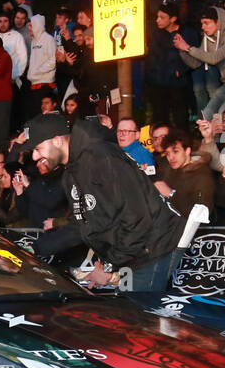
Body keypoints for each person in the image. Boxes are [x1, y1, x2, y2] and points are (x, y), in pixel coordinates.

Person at [28, 113, 187, 291]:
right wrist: (34, 249)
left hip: (155, 245)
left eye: (38, 148)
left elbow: (138, 219)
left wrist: (110, 265)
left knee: (137, 310)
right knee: (125, 309)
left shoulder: (102, 158)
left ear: (57, 140)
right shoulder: (71, 174)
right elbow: (82, 225)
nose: (34, 157)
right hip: (134, 247)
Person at [175, 7, 225, 121]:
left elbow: (215, 58)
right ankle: (212, 138)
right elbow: (196, 64)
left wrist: (188, 47)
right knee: (207, 113)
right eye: (202, 24)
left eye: (207, 23)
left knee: (223, 113)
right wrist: (182, 49)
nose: (203, 27)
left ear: (218, 22)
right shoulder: (208, 39)